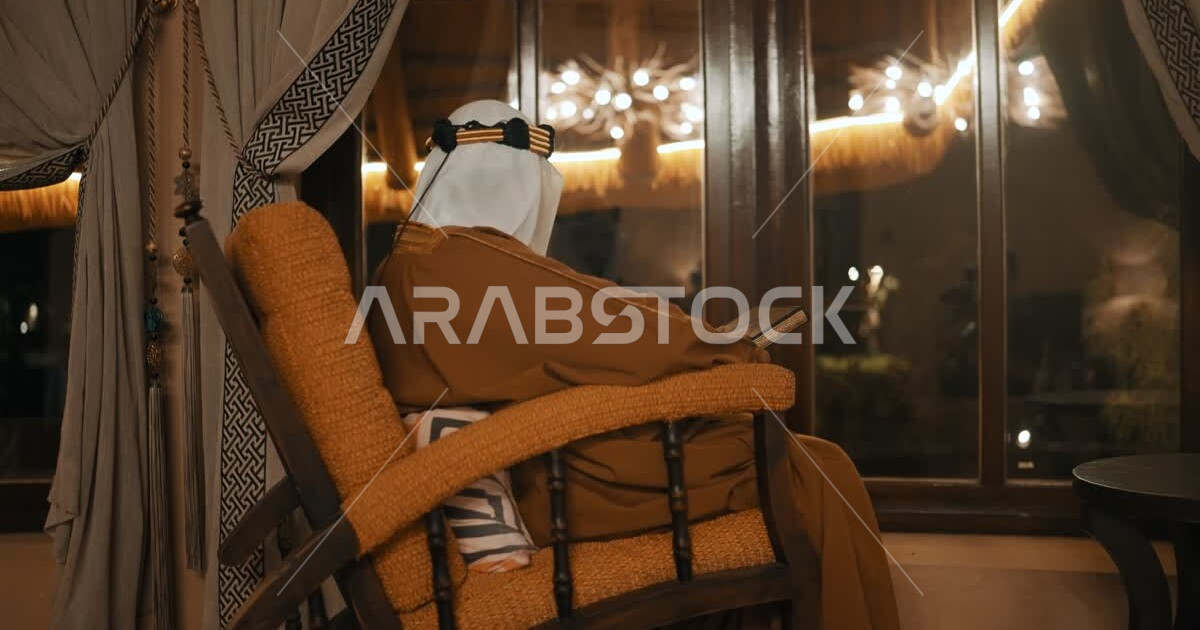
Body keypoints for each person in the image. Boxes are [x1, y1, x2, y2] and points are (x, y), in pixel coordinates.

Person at [370, 100, 900, 630]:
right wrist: (724, 343)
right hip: (557, 483)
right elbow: (607, 323)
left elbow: (575, 321)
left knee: (802, 458)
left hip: (534, 465)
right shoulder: (463, 260)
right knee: (814, 468)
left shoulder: (405, 263)